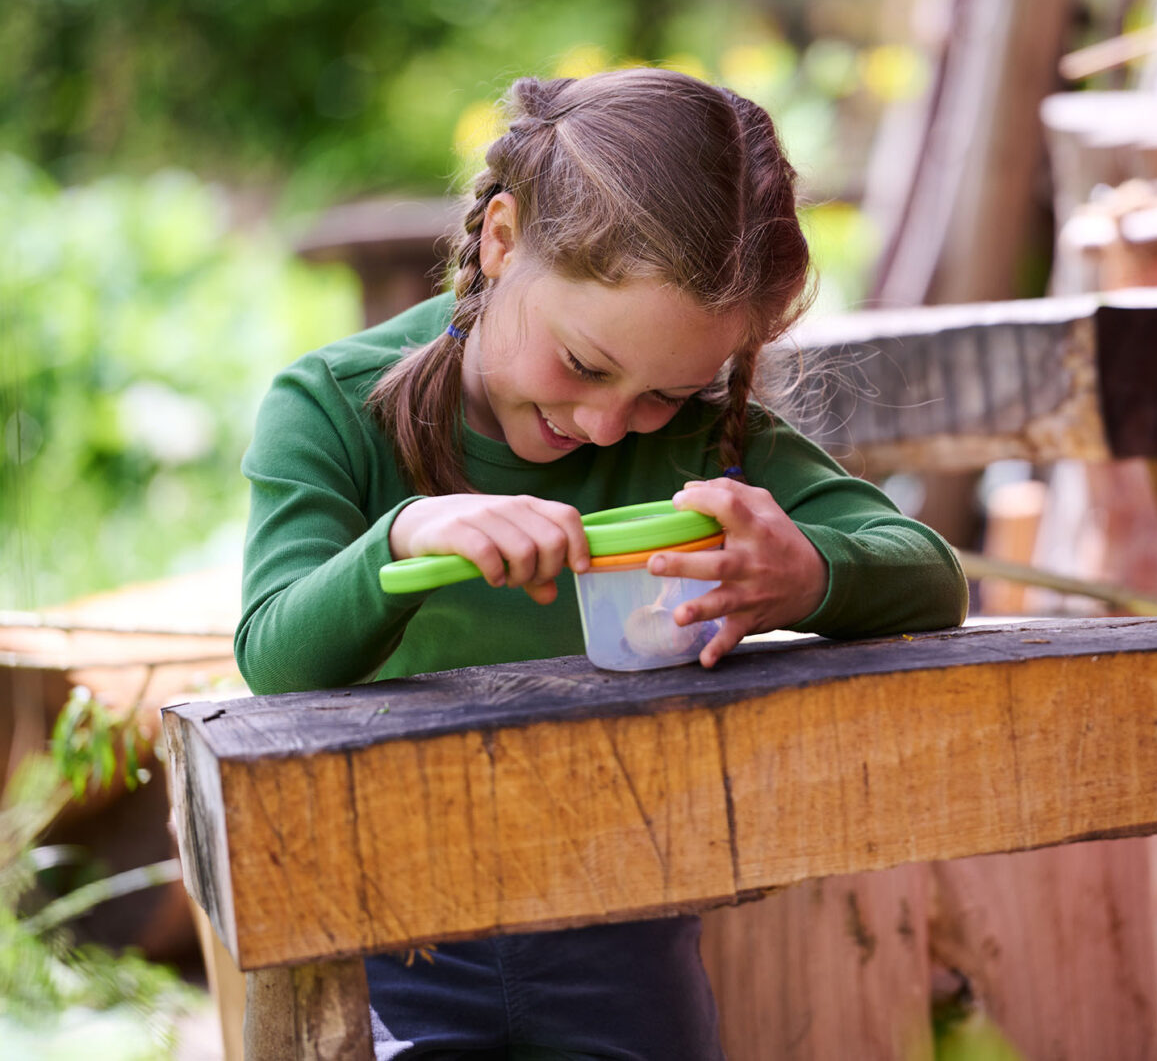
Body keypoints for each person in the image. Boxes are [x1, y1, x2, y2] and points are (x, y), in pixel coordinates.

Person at [235, 68, 968, 1060]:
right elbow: (273, 651)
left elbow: (925, 568)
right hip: (389, 924)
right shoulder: (330, 407)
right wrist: (405, 536)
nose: (608, 420)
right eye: (584, 364)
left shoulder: (703, 445)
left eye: (666, 391)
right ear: (502, 242)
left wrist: (808, 574)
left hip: (626, 914)